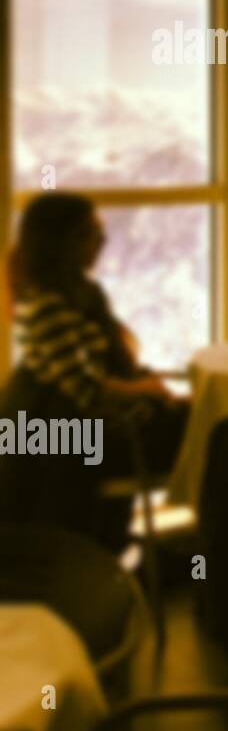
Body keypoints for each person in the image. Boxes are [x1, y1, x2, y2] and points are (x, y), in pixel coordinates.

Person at [0, 193, 188, 547]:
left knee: (204, 424)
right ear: (60, 244)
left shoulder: (80, 293)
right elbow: (86, 390)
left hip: (75, 431)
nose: (102, 242)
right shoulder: (45, 304)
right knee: (211, 431)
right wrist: (149, 391)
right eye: (89, 234)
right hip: (65, 436)